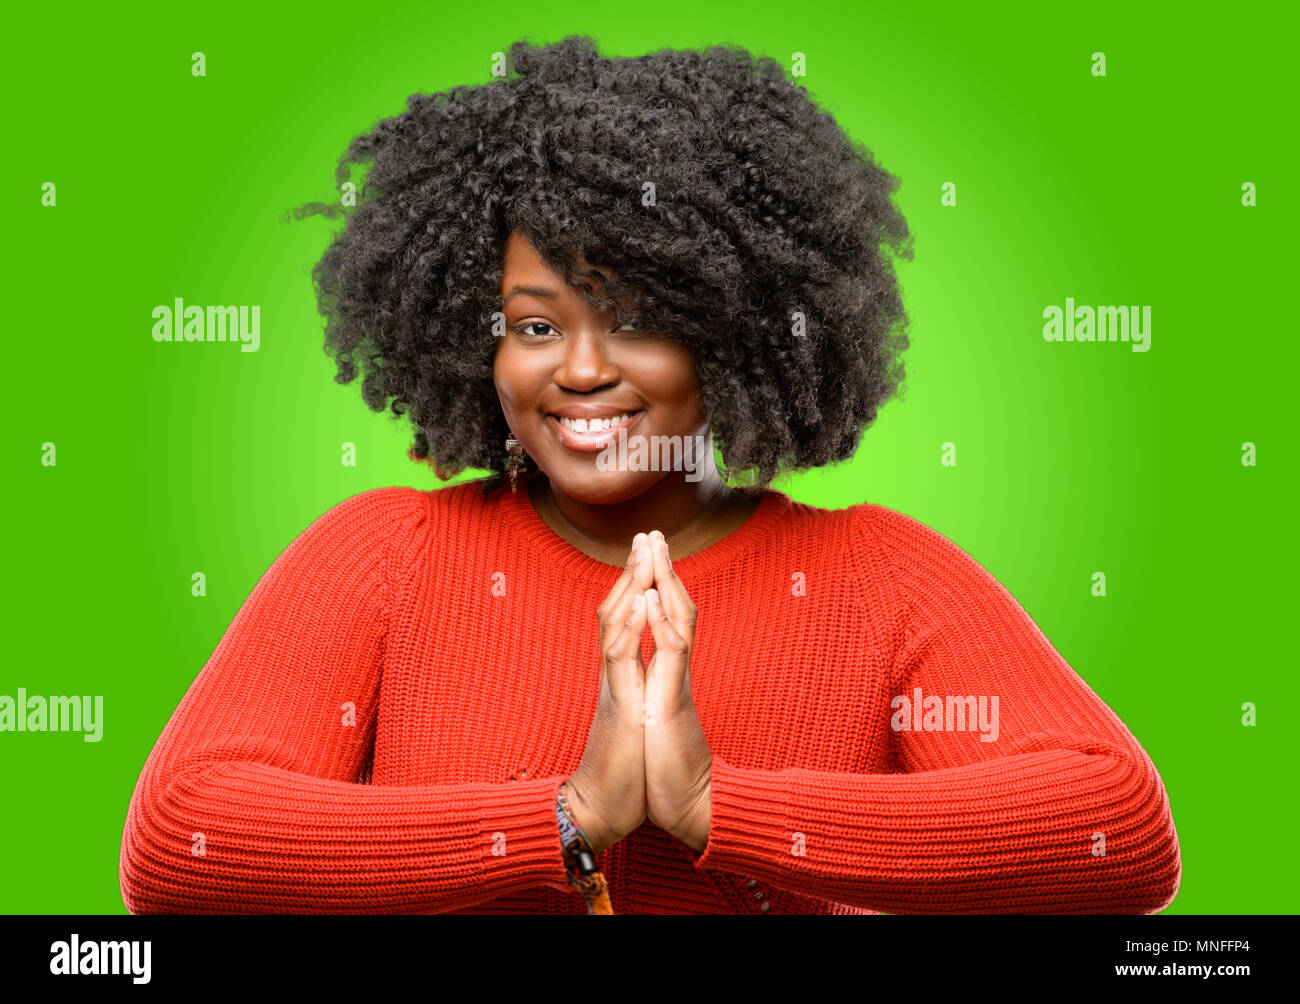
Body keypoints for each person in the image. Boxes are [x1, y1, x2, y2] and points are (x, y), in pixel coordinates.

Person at [118, 35, 1180, 914]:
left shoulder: (874, 571)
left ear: (737, 331)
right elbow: (180, 840)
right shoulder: (386, 553)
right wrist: (566, 817)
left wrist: (718, 806)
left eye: (637, 320)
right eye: (536, 324)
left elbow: (1117, 829)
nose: (578, 369)